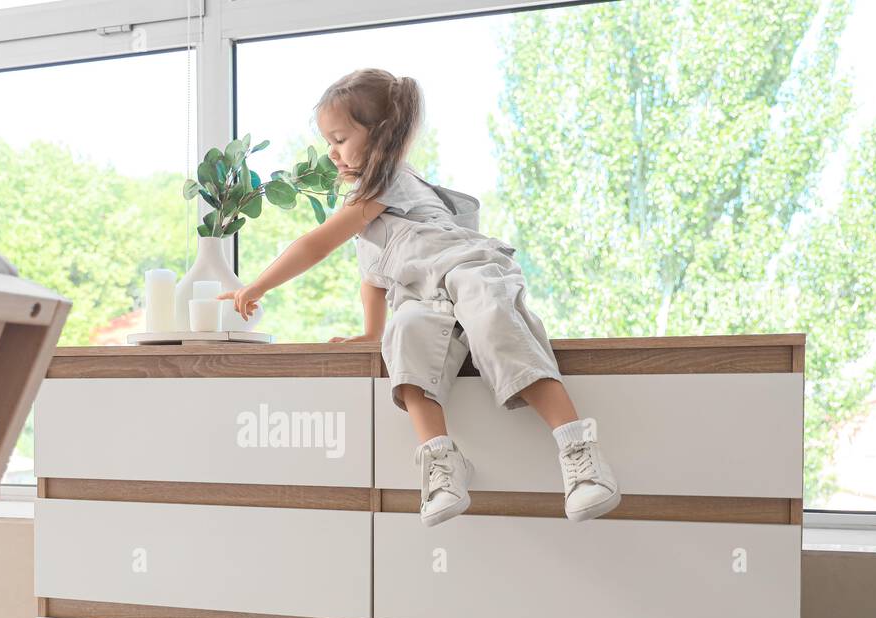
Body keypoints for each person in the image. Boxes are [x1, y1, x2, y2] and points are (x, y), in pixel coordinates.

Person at [219, 68, 620, 526]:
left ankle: (578, 451)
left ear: (381, 135)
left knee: (491, 315)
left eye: (340, 138)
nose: (331, 152)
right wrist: (372, 334)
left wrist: (257, 286)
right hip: (421, 297)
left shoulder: (385, 181)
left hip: (464, 268)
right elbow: (375, 277)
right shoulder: (367, 214)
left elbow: (316, 243)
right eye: (329, 141)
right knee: (404, 336)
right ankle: (442, 462)